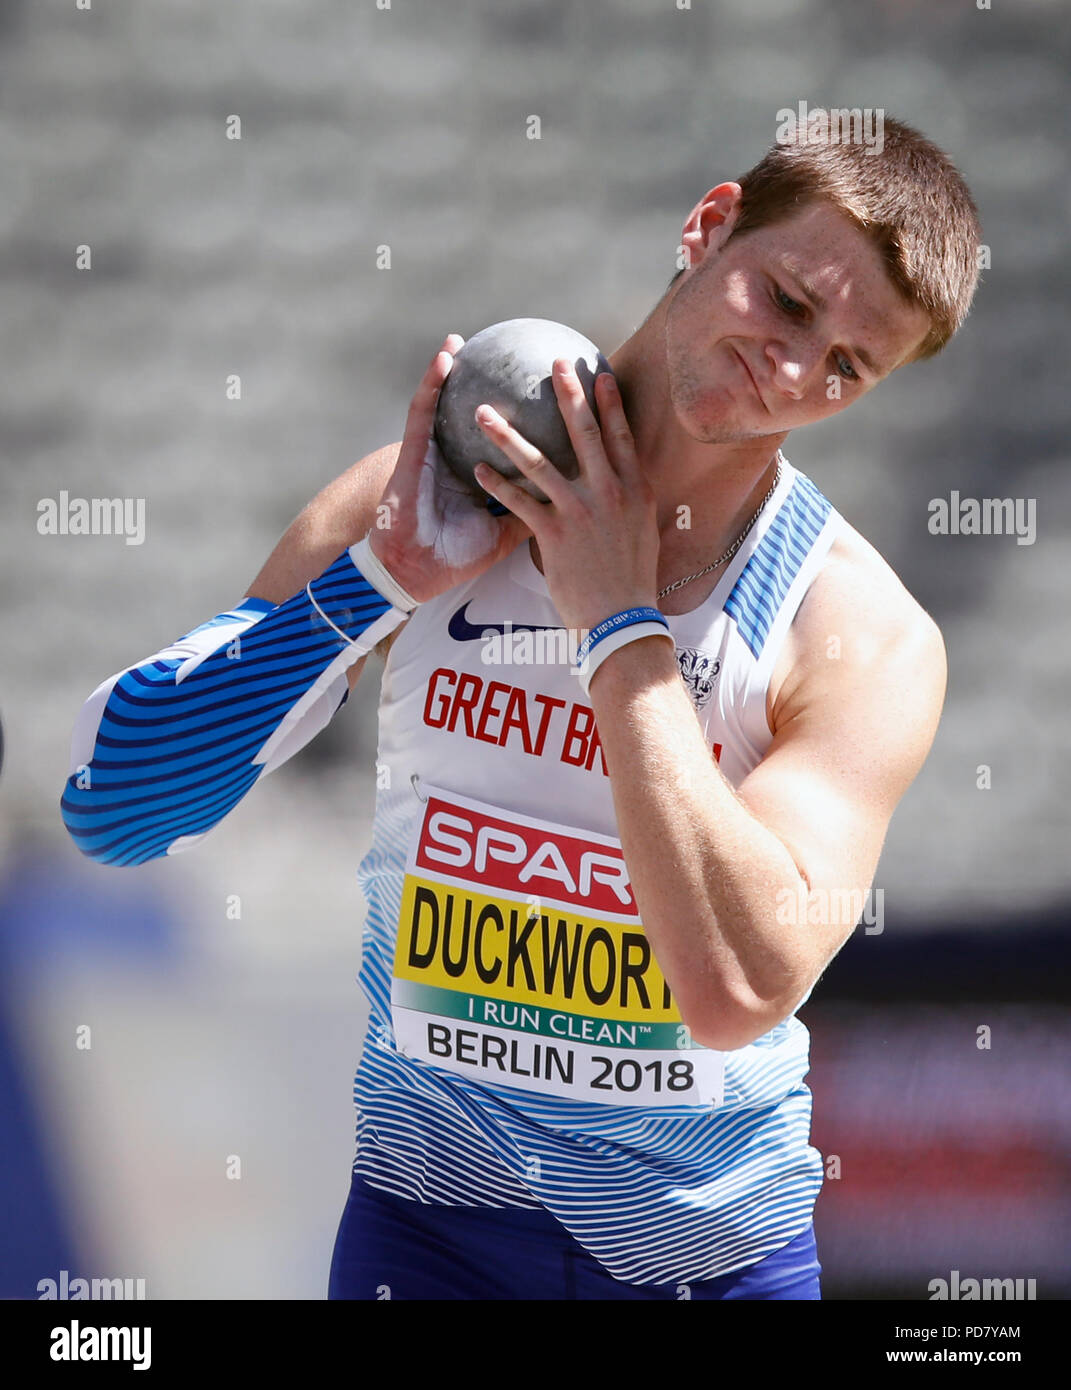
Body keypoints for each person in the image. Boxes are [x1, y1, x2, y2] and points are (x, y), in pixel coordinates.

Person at [61, 115, 980, 1300]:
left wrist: (620, 627)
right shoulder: (431, 501)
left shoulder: (858, 633)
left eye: (848, 366)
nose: (795, 372)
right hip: (428, 1231)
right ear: (708, 227)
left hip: (706, 1260)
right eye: (788, 302)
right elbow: (115, 808)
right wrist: (374, 584)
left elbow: (736, 990)